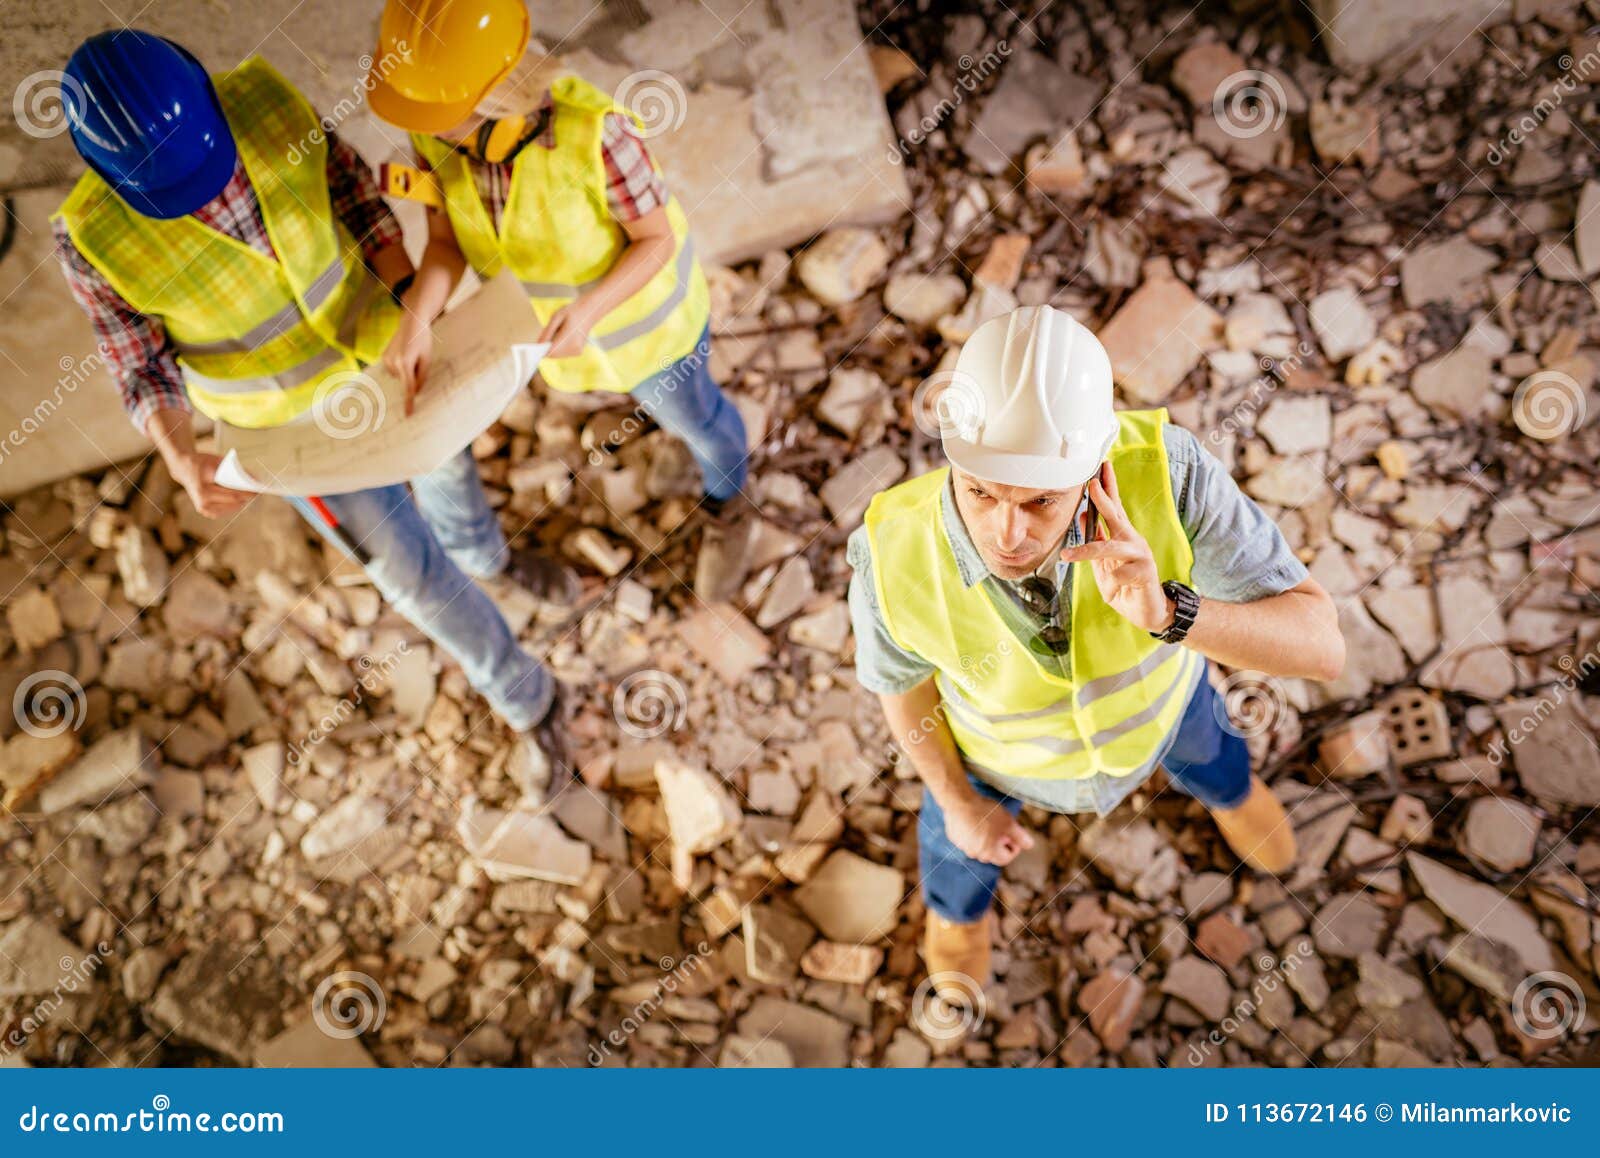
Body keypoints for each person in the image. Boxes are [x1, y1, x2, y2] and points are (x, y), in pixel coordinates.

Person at [53, 30, 570, 795]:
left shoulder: (267, 103)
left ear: (207, 88)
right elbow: (140, 363)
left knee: (446, 466)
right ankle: (531, 702)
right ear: (108, 174)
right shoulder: (89, 239)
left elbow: (358, 202)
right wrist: (179, 456)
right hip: (296, 437)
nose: (200, 193)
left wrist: (406, 304)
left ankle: (487, 557)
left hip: (384, 359)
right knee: (411, 579)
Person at [846, 306, 1346, 1001]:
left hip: (1164, 713)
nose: (1007, 533)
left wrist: (1172, 614)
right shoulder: (890, 549)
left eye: (1042, 502)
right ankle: (960, 914)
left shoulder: (1169, 477)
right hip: (993, 757)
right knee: (953, 839)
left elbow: (1321, 647)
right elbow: (900, 689)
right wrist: (960, 803)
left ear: (1094, 467)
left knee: (1216, 755)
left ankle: (1232, 797)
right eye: (980, 491)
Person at [365, 0, 753, 598]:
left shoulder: (596, 133)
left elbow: (656, 240)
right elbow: (445, 242)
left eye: (439, 111)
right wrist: (418, 318)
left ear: (495, 91)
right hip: (571, 346)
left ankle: (730, 501)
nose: (425, 125)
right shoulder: (436, 134)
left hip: (651, 337)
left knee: (698, 421)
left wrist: (590, 310)